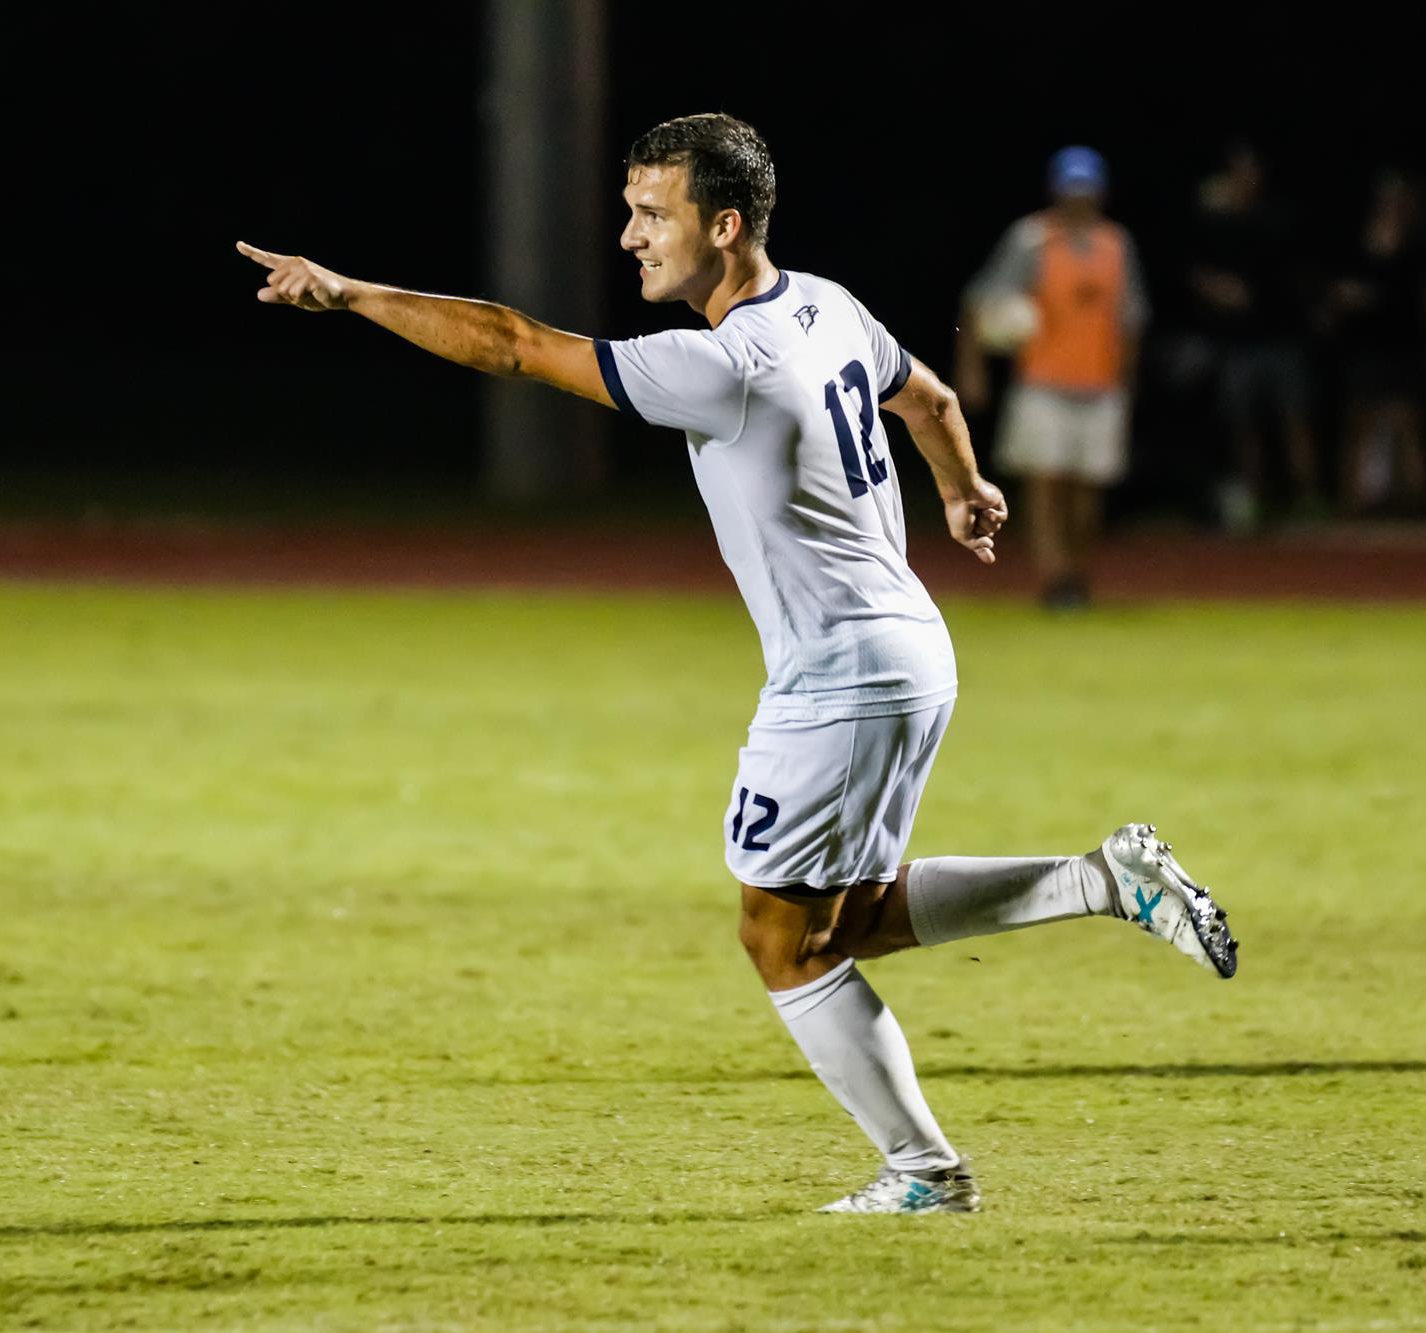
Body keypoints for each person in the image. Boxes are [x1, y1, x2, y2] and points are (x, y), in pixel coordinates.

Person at [236, 113, 1237, 1215]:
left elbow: (514, 344)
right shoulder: (827, 305)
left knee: (780, 938)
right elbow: (932, 400)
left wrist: (351, 293)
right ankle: (1105, 881)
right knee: (844, 918)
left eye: (650, 214)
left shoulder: (723, 364)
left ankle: (925, 1173)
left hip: (843, 677)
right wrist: (961, 491)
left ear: (723, 226)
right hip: (905, 651)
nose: (629, 236)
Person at [955, 146, 1149, 609]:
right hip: (1041, 381)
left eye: (1086, 191)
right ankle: (1055, 579)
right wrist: (973, 368)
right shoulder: (1030, 240)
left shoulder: (1116, 245)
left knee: (1086, 493)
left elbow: (1131, 319)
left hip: (1100, 383)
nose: (1078, 200)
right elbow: (980, 300)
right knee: (1044, 484)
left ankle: (1076, 572)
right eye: (1071, 191)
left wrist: (1128, 382)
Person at [1190, 142, 1322, 528]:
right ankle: (1254, 502)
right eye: (1236, 172)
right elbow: (1193, 269)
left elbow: (1293, 269)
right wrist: (1215, 286)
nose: (1243, 179)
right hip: (1237, 343)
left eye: (1250, 172)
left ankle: (1307, 498)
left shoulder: (1276, 218)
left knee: (1295, 420)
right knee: (1242, 427)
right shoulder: (1213, 221)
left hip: (1282, 338)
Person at [1328, 170, 1426, 514]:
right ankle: (1352, 503)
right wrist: (1345, 299)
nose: (1392, 205)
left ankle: (1416, 501)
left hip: (1405, 345)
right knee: (1359, 421)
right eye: (1386, 198)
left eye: (1398, 198)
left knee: (1407, 422)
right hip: (1365, 344)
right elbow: (1337, 287)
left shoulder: (1419, 243)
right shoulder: (1358, 239)